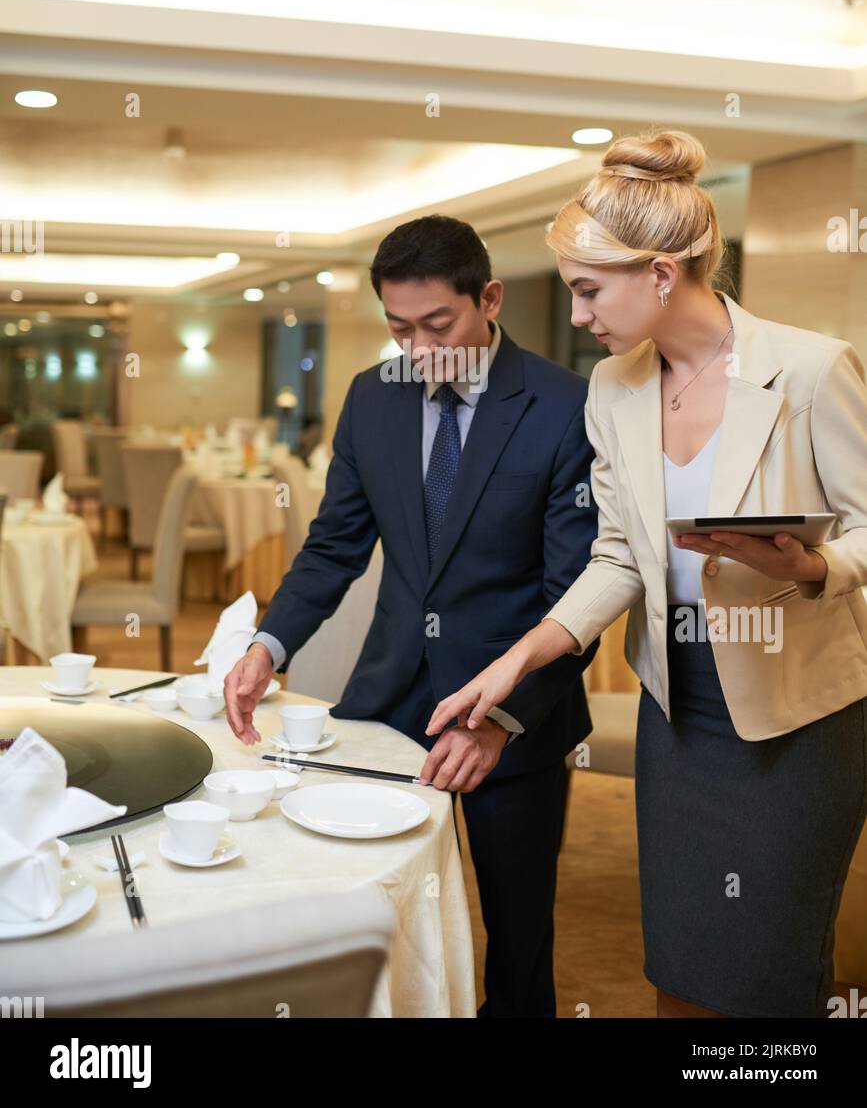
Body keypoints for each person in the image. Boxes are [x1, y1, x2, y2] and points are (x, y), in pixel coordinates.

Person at [426, 129, 867, 1020]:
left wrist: (814, 565)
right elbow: (619, 554)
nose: (580, 315)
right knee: (677, 962)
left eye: (589, 290)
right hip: (679, 710)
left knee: (768, 975)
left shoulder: (810, 368)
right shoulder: (612, 387)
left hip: (796, 721)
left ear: (660, 275)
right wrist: (521, 658)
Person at [224, 215, 601, 1018]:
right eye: (400, 328)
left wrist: (499, 717)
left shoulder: (565, 405)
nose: (420, 348)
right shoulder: (372, 397)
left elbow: (579, 595)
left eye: (439, 324)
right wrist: (269, 642)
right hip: (391, 697)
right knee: (367, 903)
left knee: (517, 932)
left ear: (488, 298)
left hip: (516, 716)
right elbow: (335, 546)